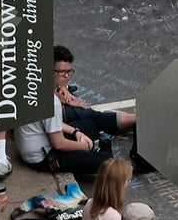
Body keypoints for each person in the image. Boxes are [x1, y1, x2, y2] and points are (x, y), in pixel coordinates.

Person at [14, 45, 136, 180]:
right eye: (61, 72)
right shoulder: (51, 101)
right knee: (106, 163)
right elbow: (59, 144)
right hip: (44, 158)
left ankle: (94, 145)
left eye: (69, 71)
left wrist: (76, 132)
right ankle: (98, 150)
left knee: (88, 125)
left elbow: (53, 123)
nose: (66, 76)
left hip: (38, 144)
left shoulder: (35, 85)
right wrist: (81, 146)